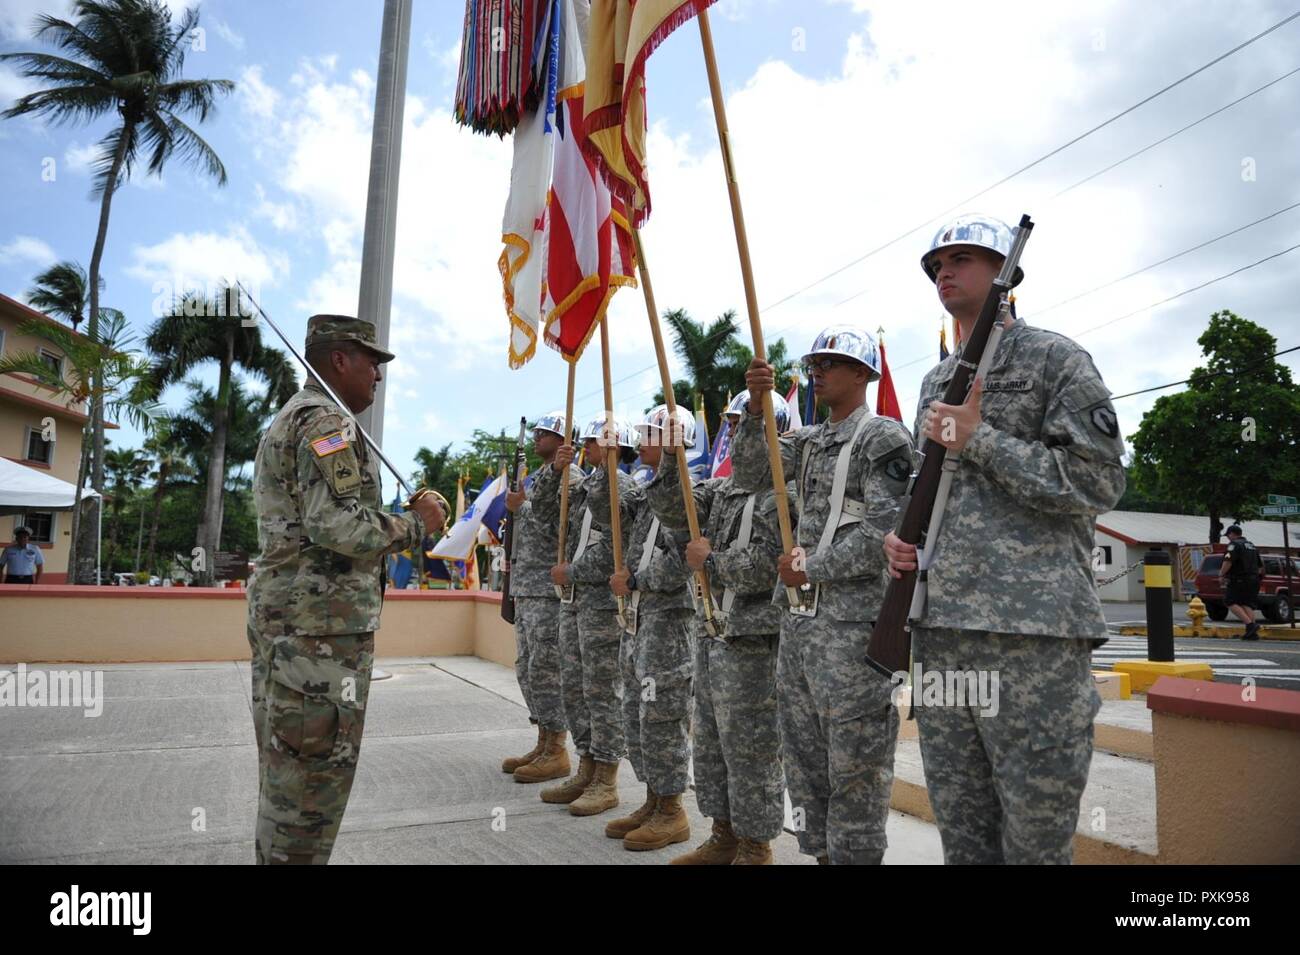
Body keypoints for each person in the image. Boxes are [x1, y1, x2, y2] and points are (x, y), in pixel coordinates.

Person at [883, 213, 1126, 864]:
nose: (946, 271)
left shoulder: (1055, 359)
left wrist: (980, 440)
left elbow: (1099, 482)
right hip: (940, 639)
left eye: (963, 258)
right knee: (964, 840)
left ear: (1004, 273)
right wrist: (899, 541)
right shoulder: (936, 382)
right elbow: (923, 488)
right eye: (938, 264)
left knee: (1034, 844)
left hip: (1032, 643)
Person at [246, 314, 445, 865]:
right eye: (371, 361)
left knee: (290, 777)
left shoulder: (302, 417)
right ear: (339, 360)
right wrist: (416, 524)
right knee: (310, 789)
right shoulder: (324, 422)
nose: (378, 375)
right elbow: (336, 526)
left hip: (300, 629)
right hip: (318, 638)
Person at [736, 330, 914, 865]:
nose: (818, 372)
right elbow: (747, 472)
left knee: (855, 765)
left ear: (862, 374)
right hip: (800, 627)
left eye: (833, 363)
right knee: (805, 760)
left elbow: (884, 531)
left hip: (853, 631)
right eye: (815, 362)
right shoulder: (810, 440)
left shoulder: (883, 439)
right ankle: (821, 856)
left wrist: (811, 568)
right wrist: (756, 407)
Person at [649, 392, 792, 865]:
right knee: (711, 745)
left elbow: (763, 570)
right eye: (732, 426)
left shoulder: (783, 494)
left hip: (753, 641)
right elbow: (674, 509)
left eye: (745, 425)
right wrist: (672, 458)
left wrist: (711, 560)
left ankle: (756, 846)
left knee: (751, 750)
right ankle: (723, 833)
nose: (735, 434)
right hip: (714, 637)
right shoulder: (725, 491)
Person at [590, 405, 695, 851]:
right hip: (639, 619)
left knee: (662, 717)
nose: (641, 439)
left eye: (650, 433)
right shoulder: (650, 490)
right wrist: (609, 461)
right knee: (637, 714)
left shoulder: (693, 490)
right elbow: (604, 506)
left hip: (669, 623)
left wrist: (638, 580)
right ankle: (653, 798)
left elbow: (686, 561)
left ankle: (672, 809)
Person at [530, 415, 637, 816]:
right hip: (575, 603)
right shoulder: (586, 485)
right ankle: (586, 764)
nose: (584, 447)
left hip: (601, 607)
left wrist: (572, 571)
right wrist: (555, 472)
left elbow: (616, 550)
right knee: (574, 688)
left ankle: (606, 777)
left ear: (613, 446)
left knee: (602, 691)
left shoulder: (623, 490)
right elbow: (542, 514)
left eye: (592, 442)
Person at [502, 412, 583, 782]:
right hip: (528, 585)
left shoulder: (572, 477)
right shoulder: (540, 478)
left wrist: (524, 508)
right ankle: (543, 739)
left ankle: (557, 749)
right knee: (529, 668)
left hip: (547, 590)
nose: (536, 438)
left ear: (563, 439)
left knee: (547, 670)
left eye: (543, 433)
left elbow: (560, 528)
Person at [1219, 525, 1262, 640]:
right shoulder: (1251, 545)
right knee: (1246, 604)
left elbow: (1228, 561)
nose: (1228, 538)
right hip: (1254, 579)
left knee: (1229, 601)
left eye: (1228, 535)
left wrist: (1222, 574)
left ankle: (1250, 625)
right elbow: (1260, 566)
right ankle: (1252, 633)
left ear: (1233, 533)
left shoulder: (1234, 545)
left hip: (1239, 579)